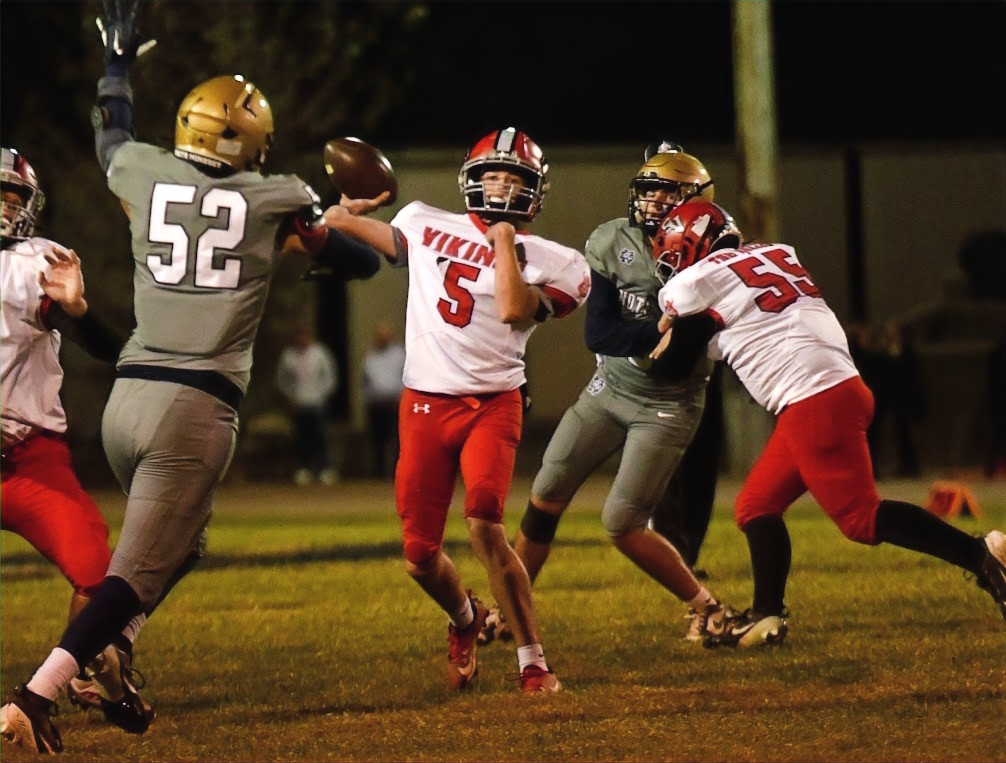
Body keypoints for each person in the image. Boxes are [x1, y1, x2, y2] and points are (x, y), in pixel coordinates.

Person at [0, 5, 381, 754]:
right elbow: (359, 264)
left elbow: (111, 131)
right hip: (195, 406)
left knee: (186, 541)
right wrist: (336, 224)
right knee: (134, 572)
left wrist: (116, 65)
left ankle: (115, 644)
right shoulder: (279, 195)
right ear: (255, 141)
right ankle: (36, 694)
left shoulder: (143, 171)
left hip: (127, 398)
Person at [650, 199, 1006, 647]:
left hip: (813, 399)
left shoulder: (695, 282)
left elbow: (672, 366)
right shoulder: (774, 253)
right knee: (756, 505)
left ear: (689, 247)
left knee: (861, 518)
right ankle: (766, 615)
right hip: (834, 387)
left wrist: (659, 339)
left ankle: (981, 554)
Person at [325, 126, 590, 693]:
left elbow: (515, 308)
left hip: (494, 402)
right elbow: (356, 231)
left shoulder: (558, 262)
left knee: (485, 526)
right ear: (470, 180)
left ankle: (533, 662)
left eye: (512, 179)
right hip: (424, 403)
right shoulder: (423, 221)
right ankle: (466, 619)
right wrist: (343, 215)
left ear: (534, 191)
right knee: (419, 557)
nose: (500, 187)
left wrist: (502, 242)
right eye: (491, 176)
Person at [481, 143, 733, 648]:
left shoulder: (713, 253)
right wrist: (655, 331)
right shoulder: (612, 239)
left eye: (667, 193)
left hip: (667, 404)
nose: (653, 200)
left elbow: (676, 359)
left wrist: (662, 337)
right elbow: (599, 333)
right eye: (650, 190)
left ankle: (710, 609)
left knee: (622, 523)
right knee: (546, 490)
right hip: (611, 386)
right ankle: (509, 610)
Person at [0, 146, 154, 734]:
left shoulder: (34, 263)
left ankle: (98, 678)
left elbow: (105, 347)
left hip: (29, 459)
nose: (5, 208)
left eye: (13, 197)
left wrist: (80, 308)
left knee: (100, 577)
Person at [276, 325, 339, 486]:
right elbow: (282, 378)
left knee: (321, 436)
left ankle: (325, 468)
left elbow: (329, 376)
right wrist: (288, 395)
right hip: (298, 403)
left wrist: (323, 394)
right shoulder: (289, 355)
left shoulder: (320, 353)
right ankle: (303, 468)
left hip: (317, 403)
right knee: (301, 438)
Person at [361, 321, 405, 480]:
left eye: (385, 336)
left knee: (397, 441)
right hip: (376, 404)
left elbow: (406, 377)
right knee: (378, 440)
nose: (382, 339)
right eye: (380, 336)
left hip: (395, 402)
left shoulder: (400, 355)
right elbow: (365, 380)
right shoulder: (370, 357)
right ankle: (378, 473)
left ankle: (397, 472)